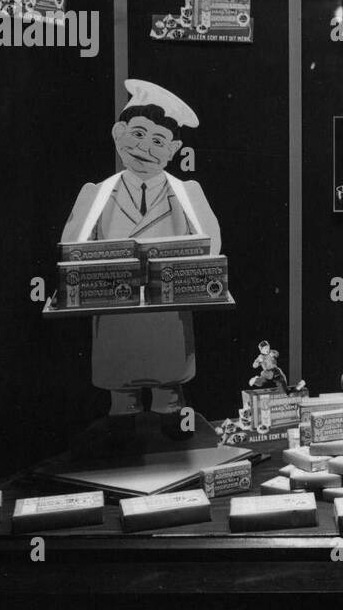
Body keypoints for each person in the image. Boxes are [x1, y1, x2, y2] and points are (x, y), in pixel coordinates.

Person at [61, 80, 222, 442]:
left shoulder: (188, 192)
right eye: (137, 134)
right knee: (122, 371)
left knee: (168, 375)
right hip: (116, 304)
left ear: (173, 150)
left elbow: (211, 245)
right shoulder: (95, 194)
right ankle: (123, 414)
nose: (144, 148)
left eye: (158, 141)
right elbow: (71, 246)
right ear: (118, 134)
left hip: (167, 306)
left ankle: (169, 411)